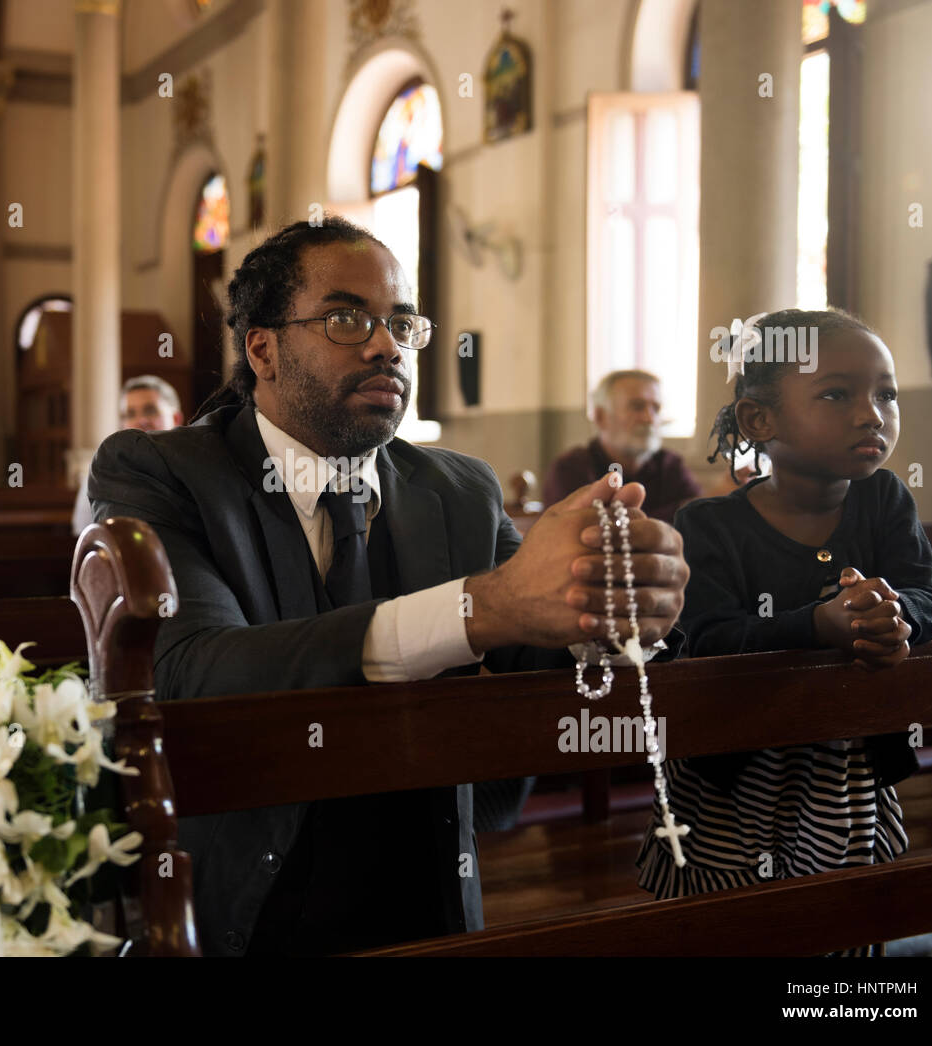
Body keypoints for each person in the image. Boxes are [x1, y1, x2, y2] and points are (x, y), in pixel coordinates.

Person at [88, 217, 689, 957]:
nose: (386, 345)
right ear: (262, 348)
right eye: (347, 318)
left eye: (402, 322)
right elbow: (190, 672)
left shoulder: (459, 487)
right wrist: (480, 607)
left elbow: (531, 656)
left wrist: (607, 611)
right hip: (245, 898)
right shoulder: (163, 473)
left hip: (427, 882)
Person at [635, 309, 932, 954]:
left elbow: (928, 601)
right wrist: (818, 625)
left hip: (846, 769)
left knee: (846, 917)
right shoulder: (710, 524)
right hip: (738, 768)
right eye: (837, 393)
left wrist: (893, 617)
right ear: (760, 421)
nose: (872, 414)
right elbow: (708, 638)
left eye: (885, 394)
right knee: (732, 918)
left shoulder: (886, 500)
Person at [542, 370, 703, 523]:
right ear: (601, 417)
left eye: (656, 408)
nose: (649, 418)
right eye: (637, 407)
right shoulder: (571, 469)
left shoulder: (670, 465)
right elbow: (580, 530)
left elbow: (696, 521)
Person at [72, 376, 184, 535]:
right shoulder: (102, 471)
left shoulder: (192, 467)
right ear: (122, 424)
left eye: (150, 411)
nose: (141, 421)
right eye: (130, 414)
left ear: (176, 418)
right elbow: (85, 533)